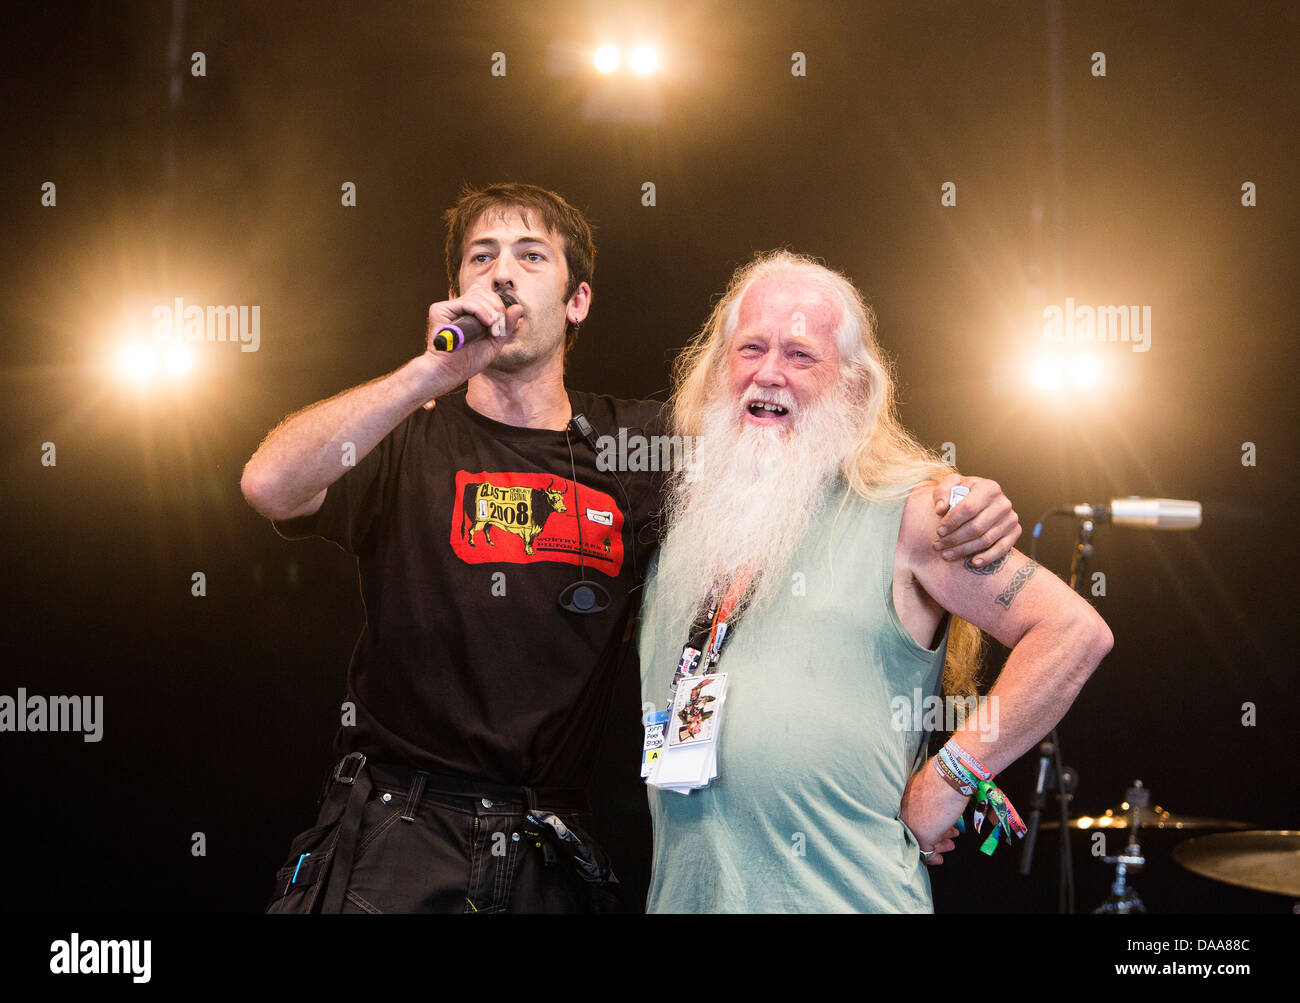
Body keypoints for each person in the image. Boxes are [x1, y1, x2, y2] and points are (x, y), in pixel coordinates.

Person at [241, 183, 1022, 913]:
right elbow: (270, 485)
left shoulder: (637, 445)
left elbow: (795, 446)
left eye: (531, 254)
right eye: (482, 256)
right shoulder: (402, 438)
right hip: (399, 829)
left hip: (547, 843)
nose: (503, 271)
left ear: (577, 301)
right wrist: (428, 372)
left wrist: (952, 488)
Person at [639, 250, 1114, 913]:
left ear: (854, 388)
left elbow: (1072, 630)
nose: (768, 371)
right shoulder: (684, 527)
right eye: (750, 348)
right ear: (720, 370)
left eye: (800, 355)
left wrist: (948, 781)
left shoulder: (911, 512)